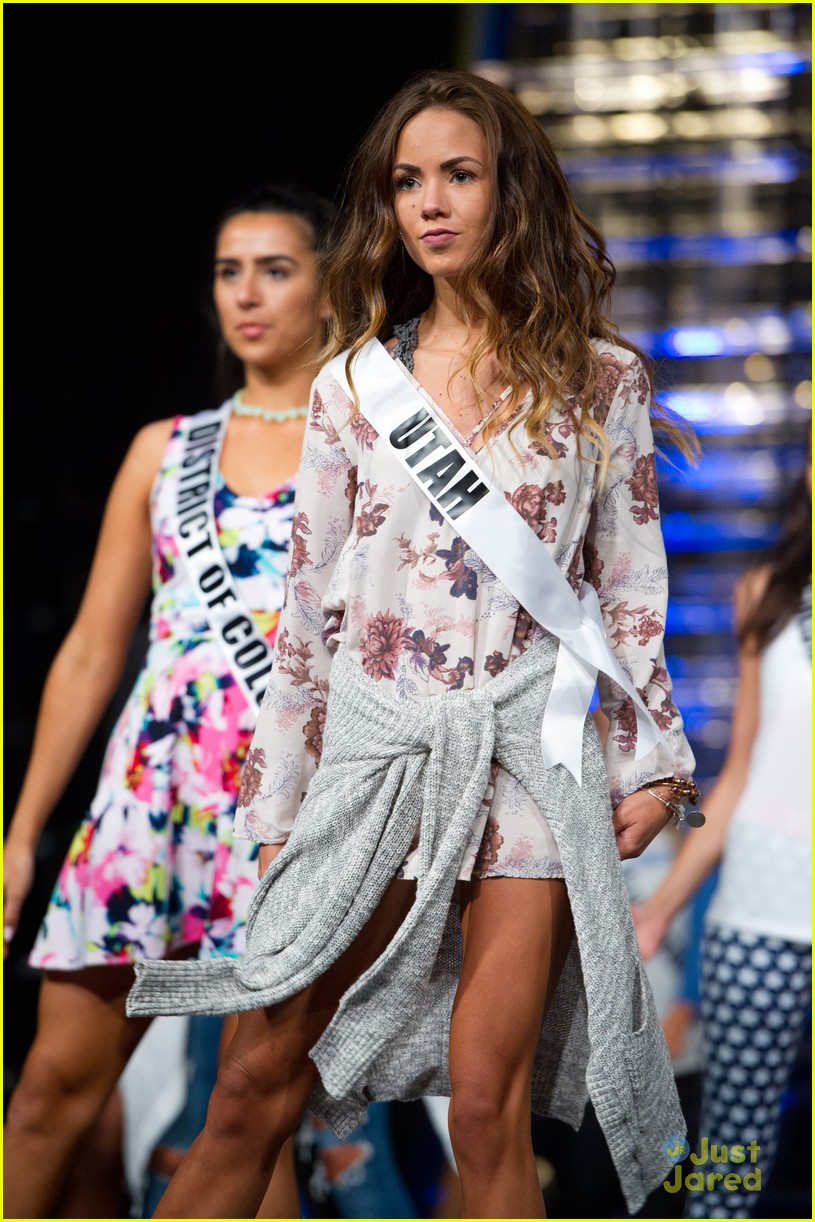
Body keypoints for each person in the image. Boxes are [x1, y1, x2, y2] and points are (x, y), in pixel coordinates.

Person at [127, 69, 703, 1219]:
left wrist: (653, 765)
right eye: (405, 182)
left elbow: (628, 589)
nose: (429, 203)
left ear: (510, 193)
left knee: (485, 1108)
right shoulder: (354, 384)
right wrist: (280, 808)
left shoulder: (601, 383)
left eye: (458, 175)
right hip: (377, 757)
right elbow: (310, 613)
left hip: (528, 761)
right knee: (250, 1081)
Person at [2, 180, 337, 1219]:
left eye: (274, 268)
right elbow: (94, 649)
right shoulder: (165, 448)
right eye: (228, 270)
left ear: (328, 286)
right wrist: (22, 835)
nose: (246, 293)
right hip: (150, 807)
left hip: (285, 819)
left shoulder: (363, 444)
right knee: (50, 1089)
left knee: (250, 1121)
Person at [632, 467, 812, 1219]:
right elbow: (739, 771)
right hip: (759, 912)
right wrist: (662, 906)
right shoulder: (767, 592)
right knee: (733, 1144)